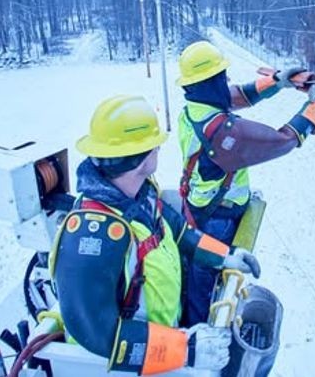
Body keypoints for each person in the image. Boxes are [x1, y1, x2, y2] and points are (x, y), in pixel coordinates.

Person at [51, 95, 261, 374]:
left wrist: (227, 256)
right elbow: (96, 333)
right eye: (155, 146)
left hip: (158, 350)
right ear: (141, 159)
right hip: (117, 367)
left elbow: (178, 231)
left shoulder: (141, 193)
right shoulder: (97, 235)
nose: (159, 149)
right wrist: (185, 349)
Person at [175, 40, 315, 325]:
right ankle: (196, 336)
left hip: (200, 210)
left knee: (200, 278)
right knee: (205, 287)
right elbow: (283, 140)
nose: (227, 80)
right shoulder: (220, 132)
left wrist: (277, 81)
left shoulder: (196, 107)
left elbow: (238, 95)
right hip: (215, 218)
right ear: (209, 83)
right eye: (221, 76)